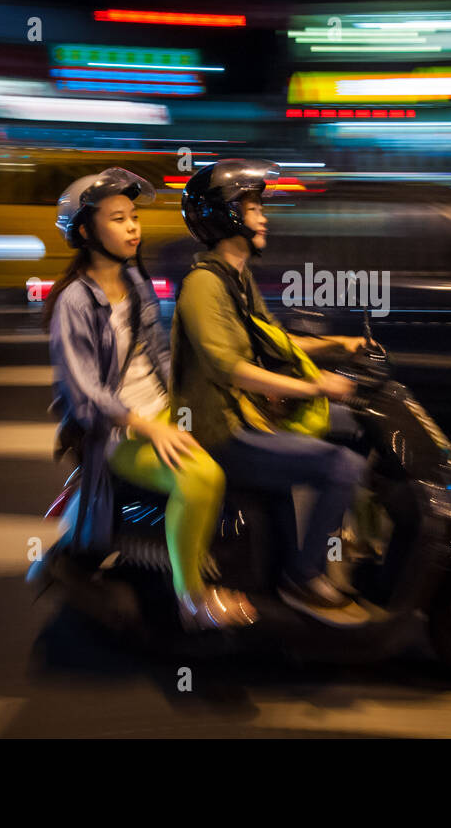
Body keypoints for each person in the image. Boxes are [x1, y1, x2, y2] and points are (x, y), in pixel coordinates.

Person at [45, 167, 255, 630]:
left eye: (133, 216)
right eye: (118, 218)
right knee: (201, 479)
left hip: (162, 409)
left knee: (255, 442)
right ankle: (191, 598)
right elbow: (84, 394)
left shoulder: (136, 285)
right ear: (85, 231)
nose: (133, 227)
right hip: (119, 431)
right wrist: (149, 426)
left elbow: (159, 356)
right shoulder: (75, 303)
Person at [171, 158, 370, 625]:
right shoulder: (203, 286)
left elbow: (272, 338)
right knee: (342, 464)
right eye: (254, 206)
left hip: (250, 416)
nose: (264, 216)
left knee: (358, 425)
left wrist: (336, 345)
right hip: (222, 430)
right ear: (226, 215)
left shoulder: (234, 279)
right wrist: (312, 384)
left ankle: (346, 530)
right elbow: (231, 367)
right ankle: (304, 576)